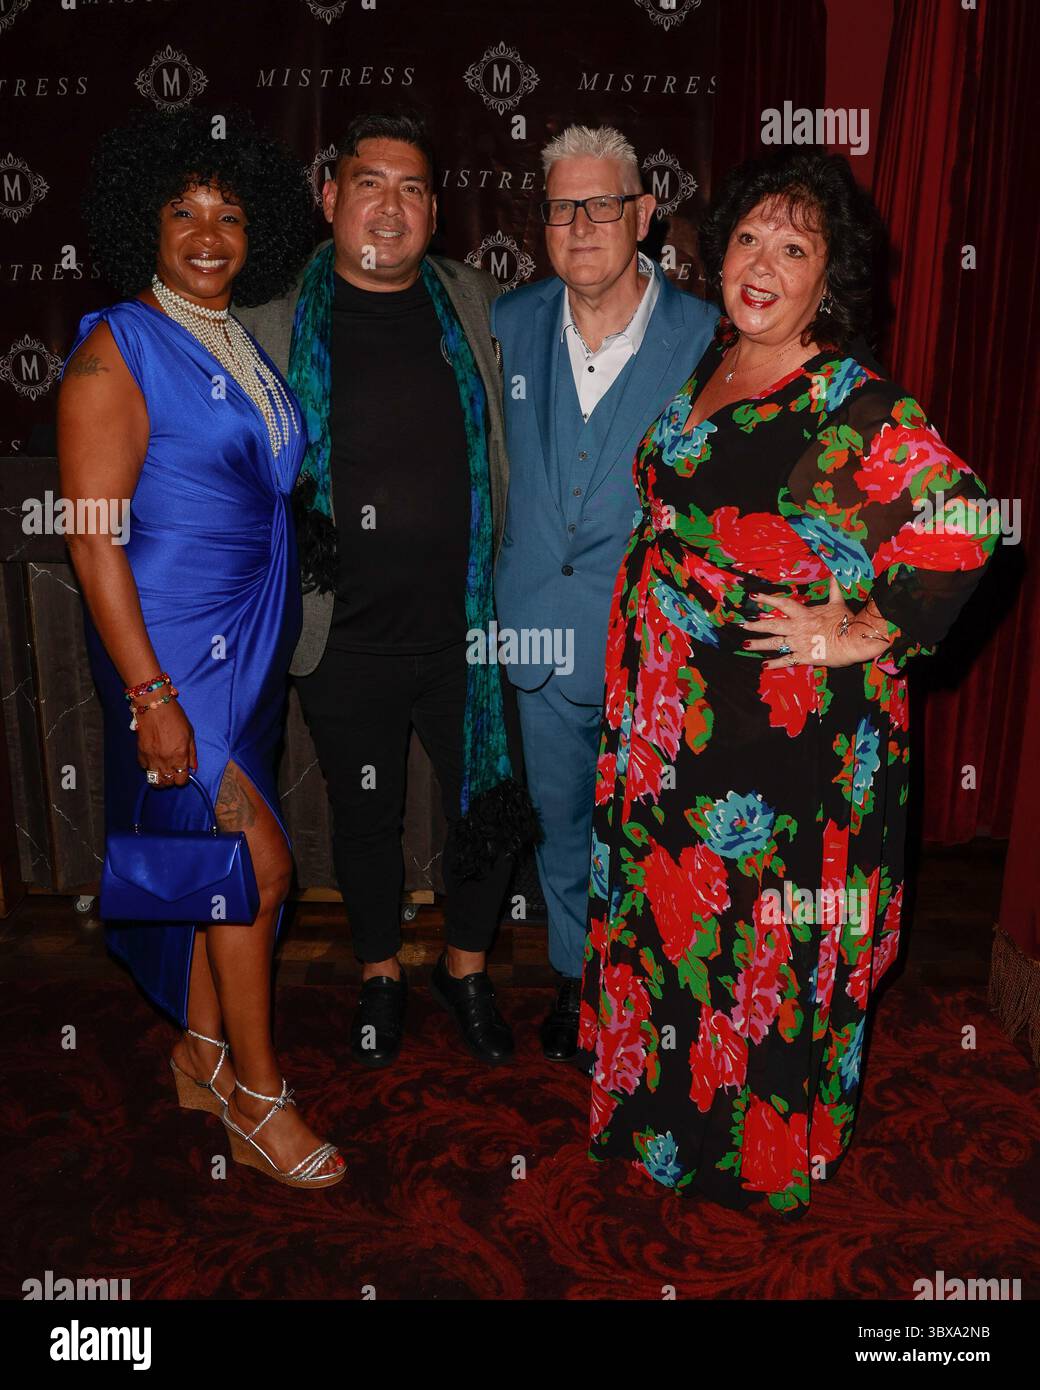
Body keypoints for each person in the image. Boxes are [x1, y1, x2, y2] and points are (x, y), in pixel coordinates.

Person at [576, 149, 998, 1212]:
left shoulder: (844, 401)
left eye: (793, 249)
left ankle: (748, 1155)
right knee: (673, 929)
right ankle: (655, 1119)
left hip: (769, 739)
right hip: (671, 715)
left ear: (828, 278)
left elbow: (967, 524)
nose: (761, 265)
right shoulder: (721, 357)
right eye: (748, 240)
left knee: (751, 942)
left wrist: (859, 631)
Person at [58, 107, 345, 1188]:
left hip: (248, 637)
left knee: (212, 866)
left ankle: (199, 1051)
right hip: (171, 645)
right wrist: (148, 693)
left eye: (229, 212)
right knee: (256, 871)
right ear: (147, 223)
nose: (209, 232)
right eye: (183, 211)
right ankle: (257, 1100)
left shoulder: (233, 335)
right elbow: (93, 548)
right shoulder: (112, 348)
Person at [235, 110, 537, 1069]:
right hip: (340, 635)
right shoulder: (264, 322)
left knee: (489, 807)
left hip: (472, 630)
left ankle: (466, 966)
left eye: (412, 188)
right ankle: (378, 973)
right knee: (363, 815)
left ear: (436, 212)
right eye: (370, 183)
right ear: (331, 198)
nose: (390, 206)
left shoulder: (488, 307)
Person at [492, 126, 717, 1063]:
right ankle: (574, 981)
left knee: (660, 831)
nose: (579, 224)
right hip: (534, 629)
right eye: (559, 205)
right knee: (560, 823)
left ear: (643, 213)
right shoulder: (502, 322)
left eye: (601, 204)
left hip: (662, 646)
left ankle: (656, 992)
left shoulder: (712, 336)